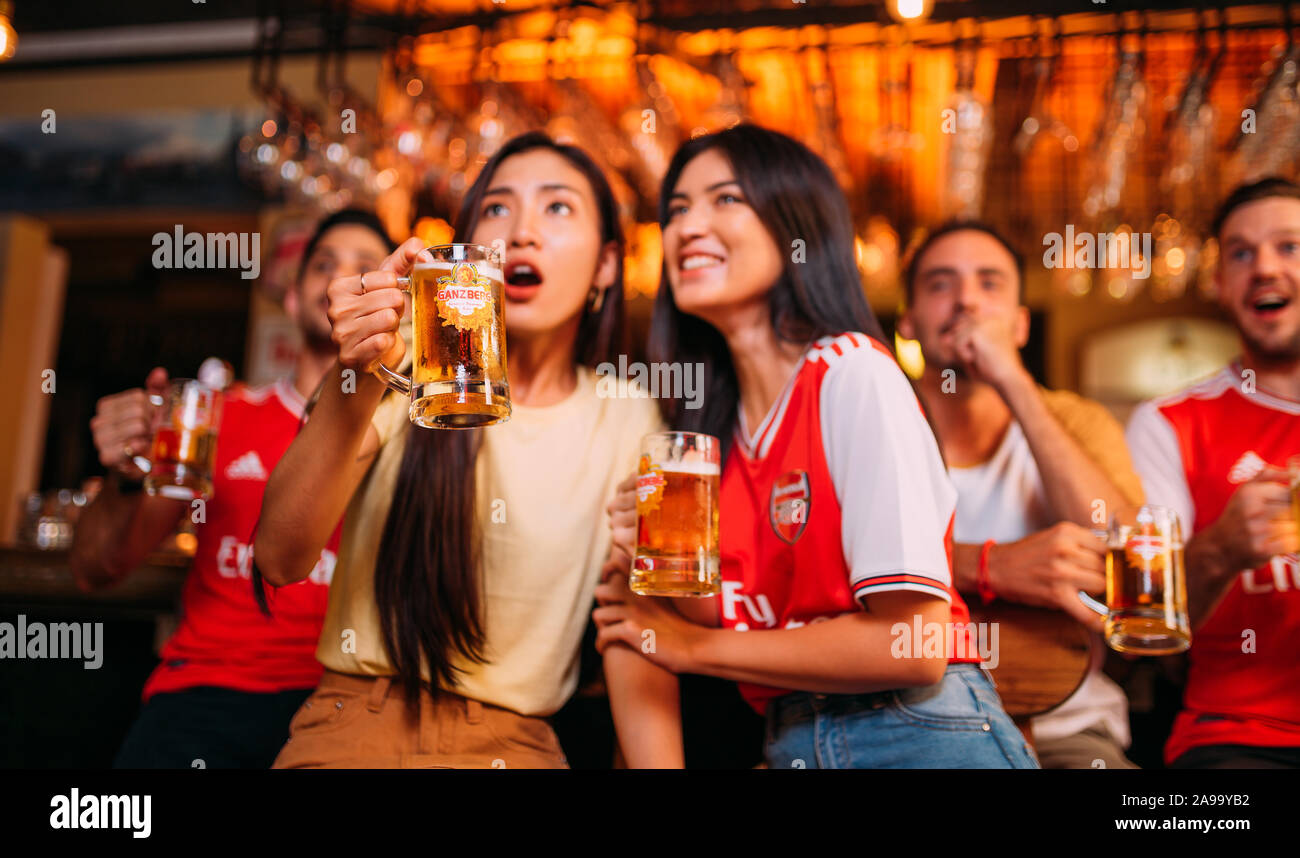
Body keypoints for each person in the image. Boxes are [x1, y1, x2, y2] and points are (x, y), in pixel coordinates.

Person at [593, 124, 1037, 769]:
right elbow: (733, 616)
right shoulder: (711, 436)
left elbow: (912, 645)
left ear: (796, 226)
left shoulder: (852, 372)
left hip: (917, 730)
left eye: (725, 199)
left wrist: (688, 648)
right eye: (677, 209)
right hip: (795, 736)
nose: (688, 227)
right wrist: (661, 571)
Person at [252, 132, 661, 768]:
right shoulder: (412, 354)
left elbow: (630, 627)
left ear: (607, 265)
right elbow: (279, 555)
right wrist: (357, 370)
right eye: (497, 208)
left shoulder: (625, 412)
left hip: (516, 747)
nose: (522, 231)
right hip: (352, 730)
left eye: (557, 208)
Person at [69, 208, 395, 768]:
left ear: (393, 303)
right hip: (203, 694)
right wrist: (126, 477)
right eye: (324, 265)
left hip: (342, 704)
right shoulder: (218, 419)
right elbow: (98, 569)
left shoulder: (409, 432)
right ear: (293, 300)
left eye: (366, 269)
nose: (343, 278)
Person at [897, 221, 1144, 768]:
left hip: (1067, 727)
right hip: (908, 727)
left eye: (989, 284)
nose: (966, 301)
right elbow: (825, 568)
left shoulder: (1077, 420)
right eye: (941, 284)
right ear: (909, 323)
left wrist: (1014, 382)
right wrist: (987, 565)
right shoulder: (879, 421)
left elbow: (1128, 561)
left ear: (1021, 324)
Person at [1126, 177, 1300, 768]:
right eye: (1242, 253)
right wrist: (1223, 548)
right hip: (1238, 739)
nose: (1266, 269)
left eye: (1289, 247)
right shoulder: (1170, 424)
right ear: (1220, 285)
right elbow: (1148, 633)